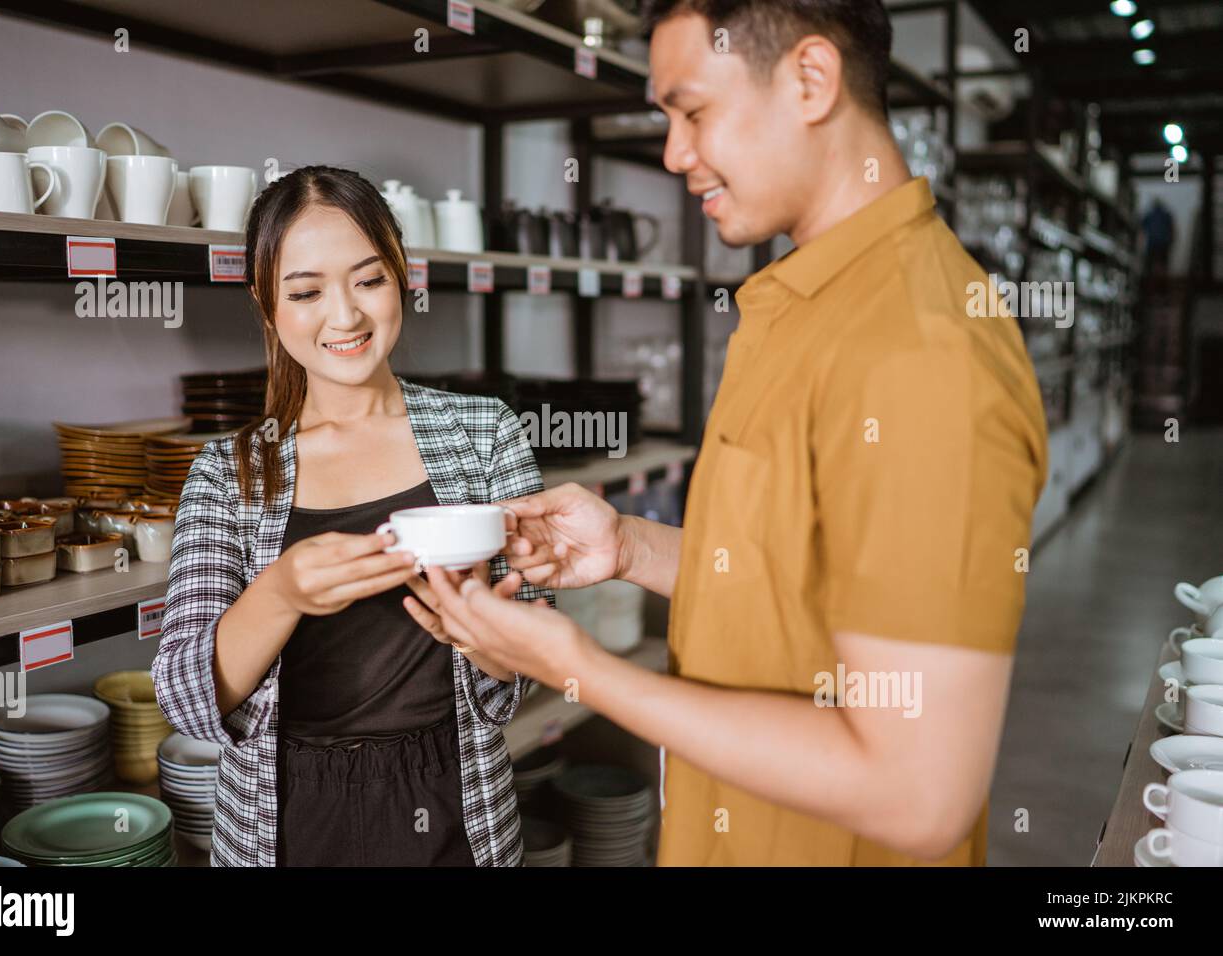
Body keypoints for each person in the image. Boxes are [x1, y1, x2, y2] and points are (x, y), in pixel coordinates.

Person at [424, 0, 1048, 866]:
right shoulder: (801, 303)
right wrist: (631, 547)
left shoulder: (921, 351)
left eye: (692, 110)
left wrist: (577, 666)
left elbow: (917, 793)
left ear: (811, 79)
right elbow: (798, 584)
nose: (675, 153)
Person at [152, 165, 553, 867]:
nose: (346, 316)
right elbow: (185, 698)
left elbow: (538, 654)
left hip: (455, 794)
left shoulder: (487, 434)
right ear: (267, 304)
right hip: (289, 811)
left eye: (368, 280)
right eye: (306, 292)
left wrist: (477, 620)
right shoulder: (229, 472)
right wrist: (280, 593)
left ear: (403, 275)